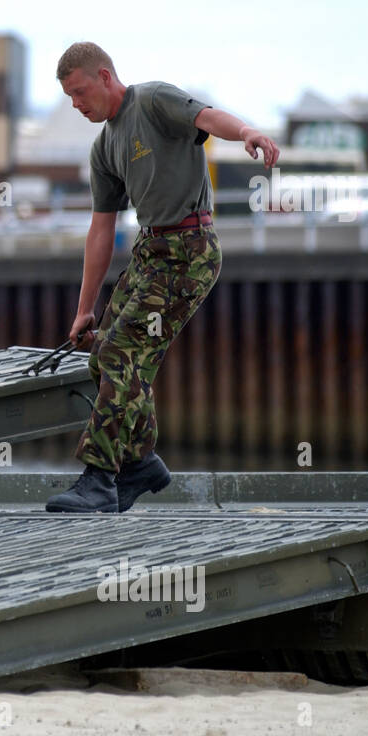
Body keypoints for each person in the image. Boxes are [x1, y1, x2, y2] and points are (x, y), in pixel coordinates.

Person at [47, 42, 279, 514]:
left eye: (79, 92)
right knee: (104, 356)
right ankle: (140, 462)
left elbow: (208, 118)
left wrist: (247, 131)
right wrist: (85, 308)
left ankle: (99, 477)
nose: (76, 104)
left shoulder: (153, 101)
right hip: (151, 252)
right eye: (69, 97)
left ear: (105, 77)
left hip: (189, 252)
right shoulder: (103, 148)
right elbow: (100, 229)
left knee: (119, 353)